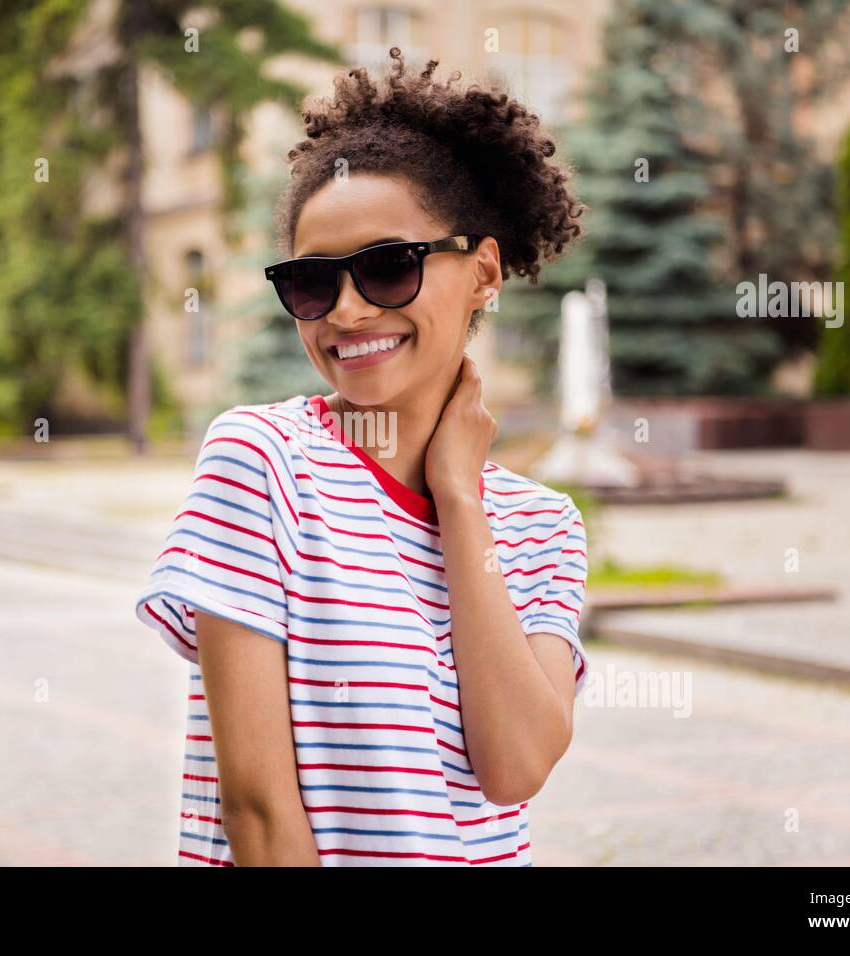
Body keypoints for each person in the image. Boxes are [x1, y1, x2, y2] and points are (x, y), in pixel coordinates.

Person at [135, 48, 589, 866]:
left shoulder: (543, 525)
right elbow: (258, 812)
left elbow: (515, 766)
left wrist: (460, 499)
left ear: (483, 272)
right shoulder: (262, 463)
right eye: (312, 282)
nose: (345, 312)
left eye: (388, 266)